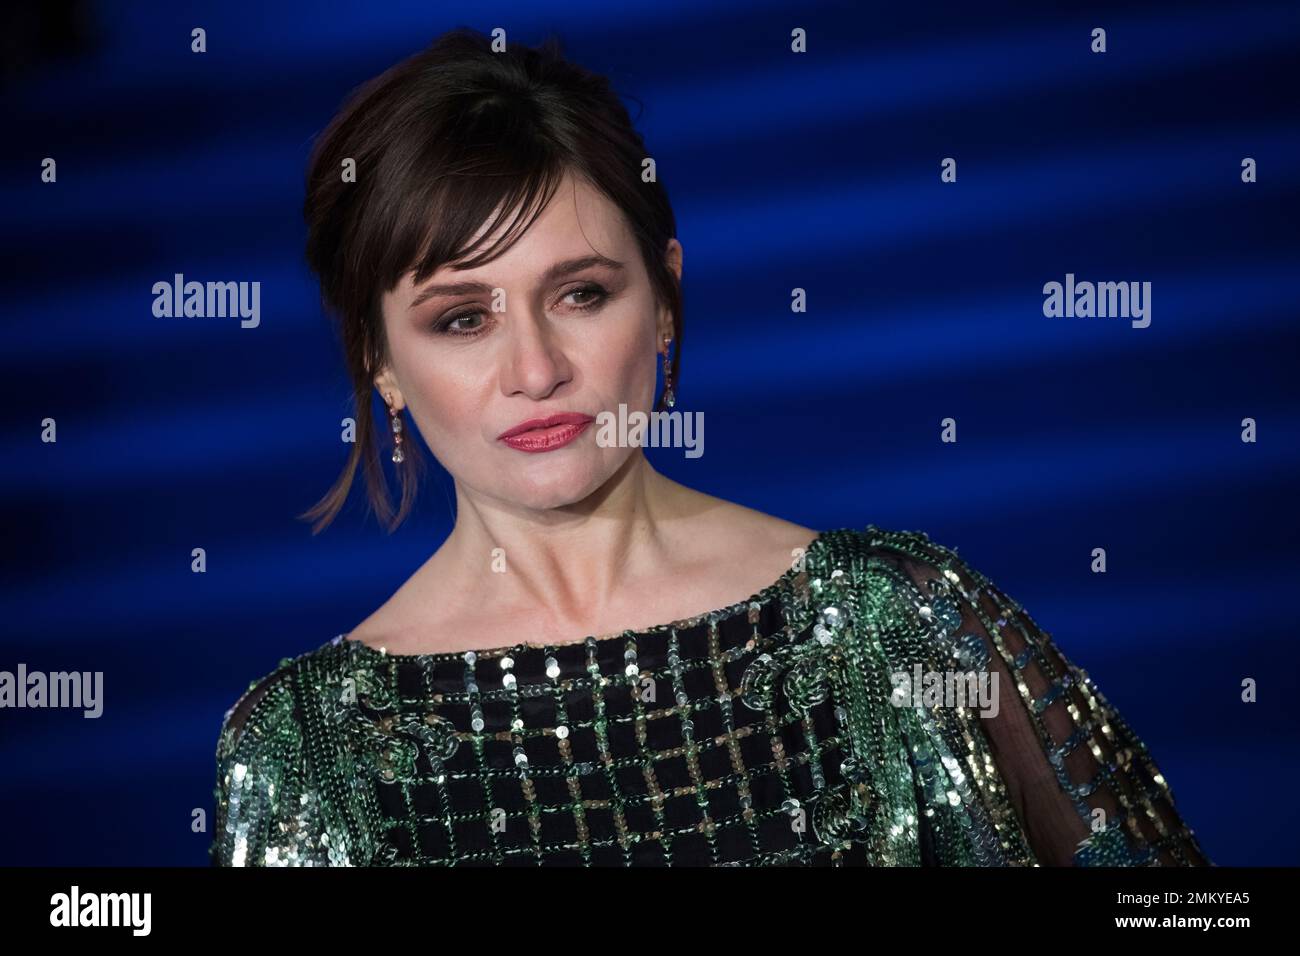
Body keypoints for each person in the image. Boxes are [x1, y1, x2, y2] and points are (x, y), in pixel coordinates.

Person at [209, 28, 1209, 867]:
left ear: (666, 298)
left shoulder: (888, 622)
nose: (535, 367)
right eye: (462, 319)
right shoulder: (307, 750)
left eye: (581, 293)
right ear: (378, 358)